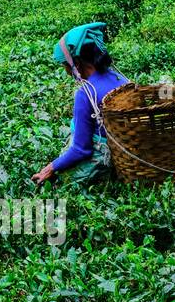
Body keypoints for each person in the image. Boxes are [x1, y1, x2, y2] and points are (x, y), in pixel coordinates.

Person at [32, 22, 129, 185]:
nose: (67, 71)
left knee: (61, 181)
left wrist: (50, 168)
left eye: (65, 65)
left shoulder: (86, 93)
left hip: (105, 158)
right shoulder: (121, 79)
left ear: (76, 64)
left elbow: (81, 149)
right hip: (125, 152)